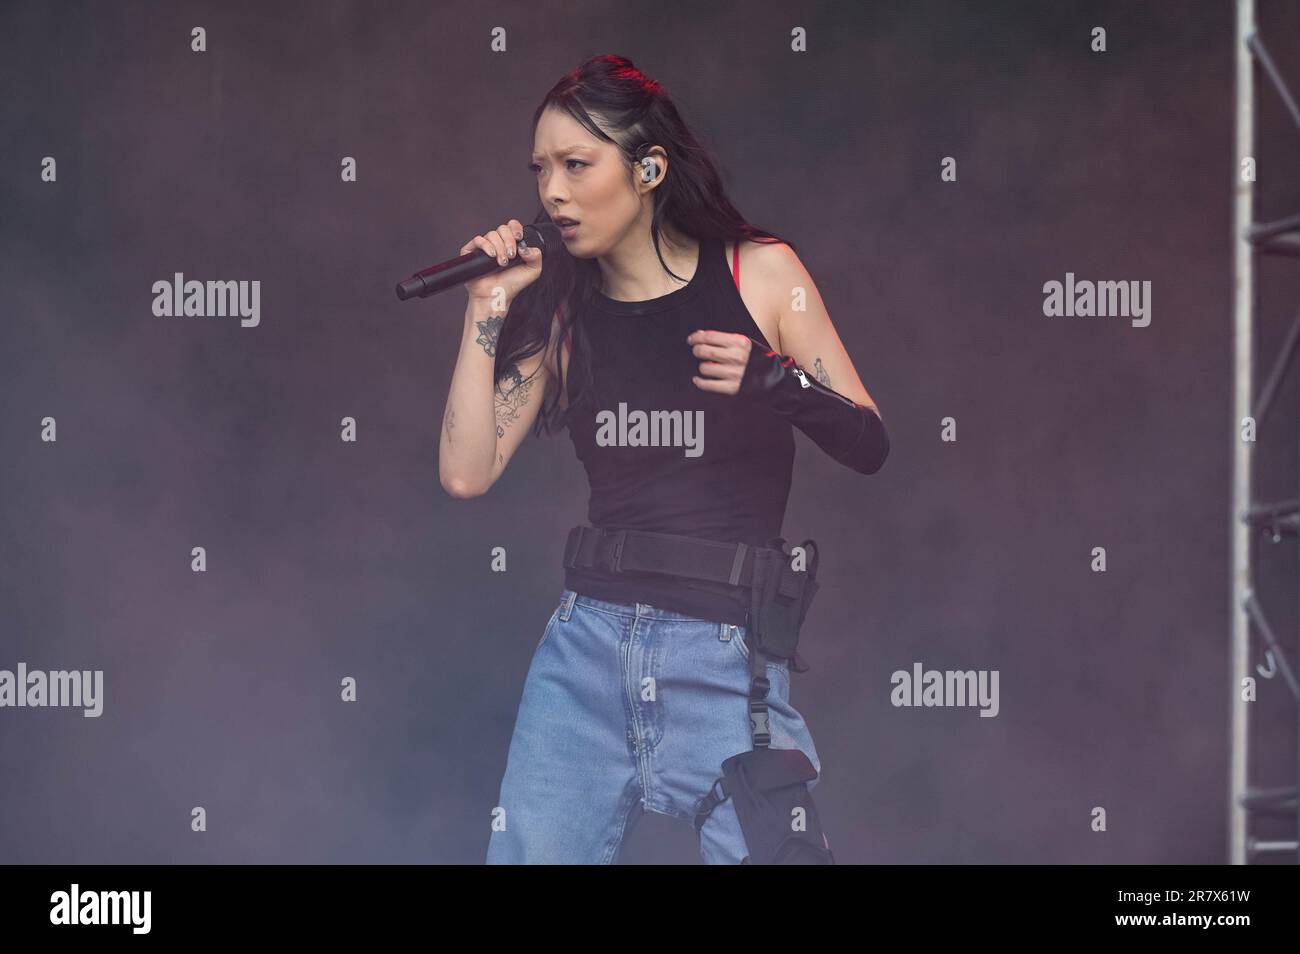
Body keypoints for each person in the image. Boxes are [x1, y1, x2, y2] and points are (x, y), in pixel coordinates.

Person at [439, 54, 889, 864]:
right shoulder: (563, 309)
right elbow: (467, 471)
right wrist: (487, 308)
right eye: (541, 170)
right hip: (585, 654)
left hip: (725, 657)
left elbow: (868, 441)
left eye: (577, 166)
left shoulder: (760, 274)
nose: (552, 193)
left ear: (647, 168)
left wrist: (773, 381)